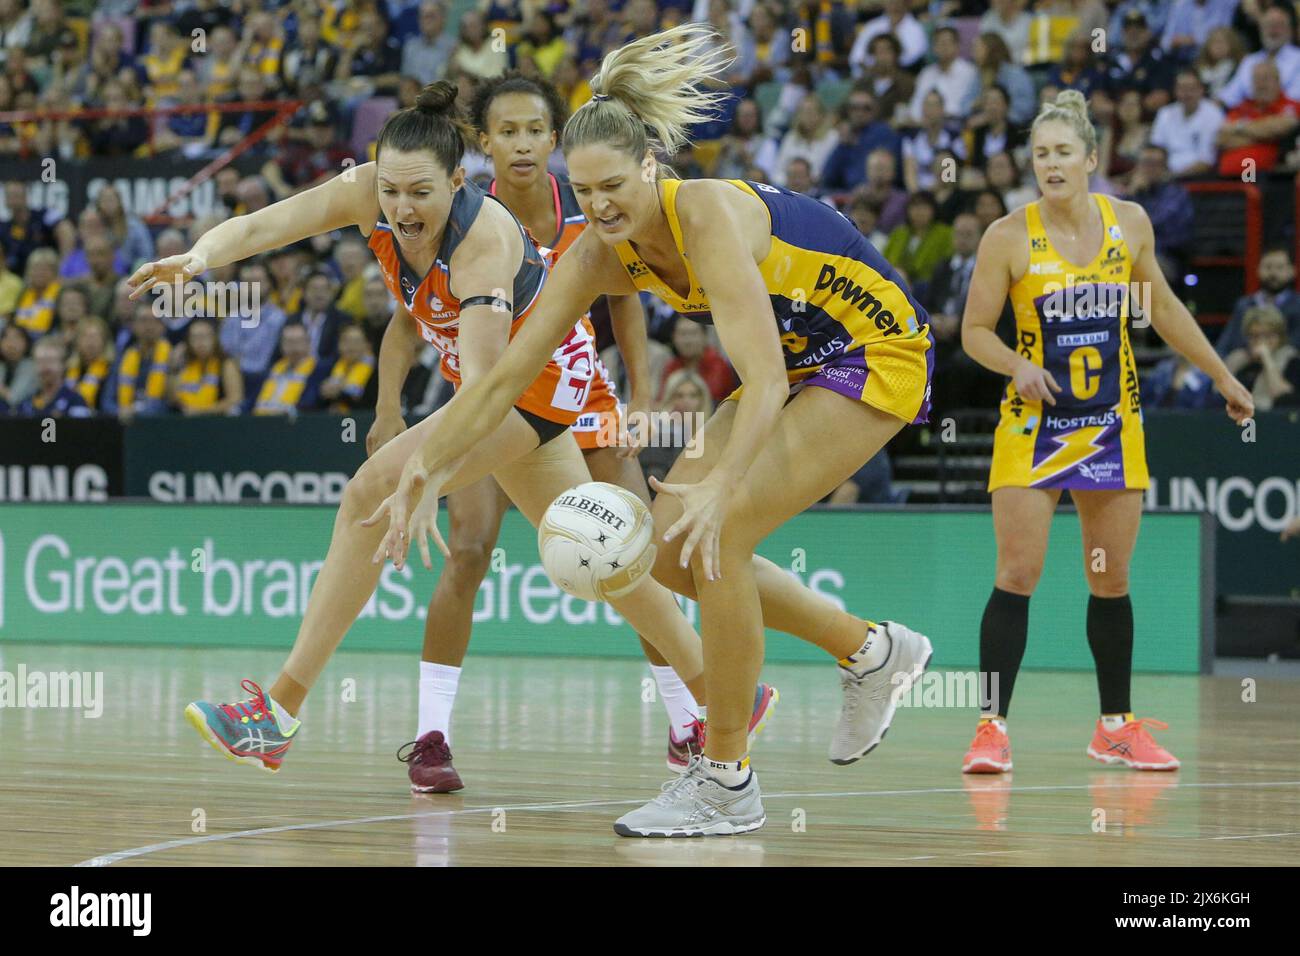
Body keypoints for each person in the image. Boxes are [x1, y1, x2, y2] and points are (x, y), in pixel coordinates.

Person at [367, 26, 937, 838]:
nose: (597, 205)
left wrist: (726, 492)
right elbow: (496, 382)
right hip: (802, 358)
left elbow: (766, 379)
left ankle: (726, 780)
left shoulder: (706, 215)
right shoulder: (600, 254)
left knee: (718, 535)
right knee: (666, 552)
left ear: (651, 168)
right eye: (583, 190)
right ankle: (874, 652)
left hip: (873, 349)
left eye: (611, 186)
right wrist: (426, 466)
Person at [129, 79, 730, 786]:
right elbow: (267, 224)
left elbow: (482, 391)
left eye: (420, 194)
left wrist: (429, 476)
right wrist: (200, 257)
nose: (402, 209)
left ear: (456, 180)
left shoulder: (483, 242)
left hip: (534, 381)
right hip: (502, 388)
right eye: (389, 192)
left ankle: (279, 713)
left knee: (366, 494)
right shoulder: (369, 192)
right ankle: (726, 693)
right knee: (606, 555)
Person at [372, 72, 754, 793]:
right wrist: (389, 406)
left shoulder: (589, 202)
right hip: (495, 400)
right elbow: (407, 314)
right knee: (469, 549)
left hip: (586, 395)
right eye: (505, 131)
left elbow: (627, 298)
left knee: (631, 549)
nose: (520, 143)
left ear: (554, 138)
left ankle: (688, 722)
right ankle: (431, 737)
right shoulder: (459, 212)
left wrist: (642, 393)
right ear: (481, 143)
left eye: (533, 131)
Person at [959, 90, 1254, 776]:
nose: (1051, 164)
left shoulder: (1131, 224)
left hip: (1111, 424)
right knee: (1017, 573)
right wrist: (1016, 364)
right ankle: (990, 729)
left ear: (1092, 158)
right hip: (1034, 426)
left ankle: (1115, 728)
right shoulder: (1007, 235)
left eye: (1064, 152)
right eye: (1040, 154)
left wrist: (1221, 376)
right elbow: (973, 332)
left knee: (1110, 578)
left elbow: (1167, 309)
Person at [1222, 305, 1300, 410]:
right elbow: (1219, 396)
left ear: (1280, 336)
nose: (1261, 342)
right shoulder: (1244, 361)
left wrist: (1267, 359)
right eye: (1255, 336)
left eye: (1268, 335)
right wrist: (1232, 365)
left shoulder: (1292, 360)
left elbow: (1284, 397)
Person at [167, 318, 244, 416]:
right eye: (195, 337)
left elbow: (235, 399)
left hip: (217, 418)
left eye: (205, 336)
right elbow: (173, 400)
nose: (200, 342)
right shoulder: (184, 363)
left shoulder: (226, 363)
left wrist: (202, 411)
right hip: (186, 417)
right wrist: (174, 366)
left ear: (215, 338)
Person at [14, 336, 90, 417]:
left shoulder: (75, 401)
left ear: (63, 365)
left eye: (50, 361)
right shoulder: (26, 404)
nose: (45, 367)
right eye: (40, 361)